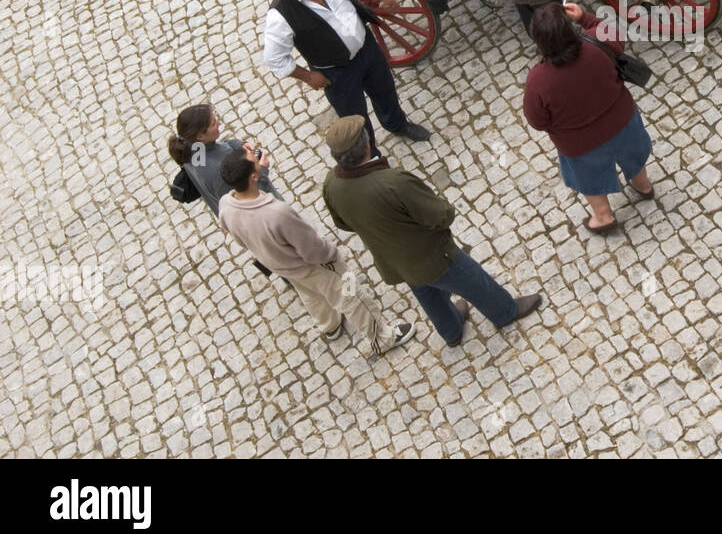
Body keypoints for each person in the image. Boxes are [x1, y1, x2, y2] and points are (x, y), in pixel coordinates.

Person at [319, 116, 543, 347]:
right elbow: (441, 215)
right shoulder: (393, 182)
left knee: (426, 293)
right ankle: (505, 311)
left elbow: (343, 224)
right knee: (474, 281)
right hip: (432, 255)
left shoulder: (331, 184)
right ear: (367, 145)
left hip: (394, 260)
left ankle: (451, 331)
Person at [218, 150, 416, 361]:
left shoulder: (226, 205)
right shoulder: (277, 213)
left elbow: (240, 240)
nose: (256, 158)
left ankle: (329, 326)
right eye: (253, 161)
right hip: (317, 267)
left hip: (284, 268)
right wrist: (332, 256)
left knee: (310, 295)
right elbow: (311, 249)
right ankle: (382, 338)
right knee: (353, 296)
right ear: (253, 177)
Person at [263, 0, 431, 152]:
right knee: (355, 119)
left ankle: (397, 124)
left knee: (385, 91)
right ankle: (370, 155)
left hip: (366, 48)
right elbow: (275, 58)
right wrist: (307, 77)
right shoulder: (280, 14)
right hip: (336, 73)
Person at [523, 2, 655, 235]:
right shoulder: (597, 44)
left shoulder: (538, 80)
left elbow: (537, 121)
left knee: (588, 174)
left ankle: (603, 217)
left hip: (579, 144)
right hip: (621, 120)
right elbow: (615, 35)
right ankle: (643, 186)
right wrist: (586, 18)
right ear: (568, 28)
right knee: (633, 153)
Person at [167, 103, 284, 281]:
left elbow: (218, 148)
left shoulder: (195, 150)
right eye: (214, 124)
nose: (219, 123)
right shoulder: (215, 172)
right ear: (200, 135)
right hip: (260, 216)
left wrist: (236, 145)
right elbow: (247, 195)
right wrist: (262, 169)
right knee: (280, 247)